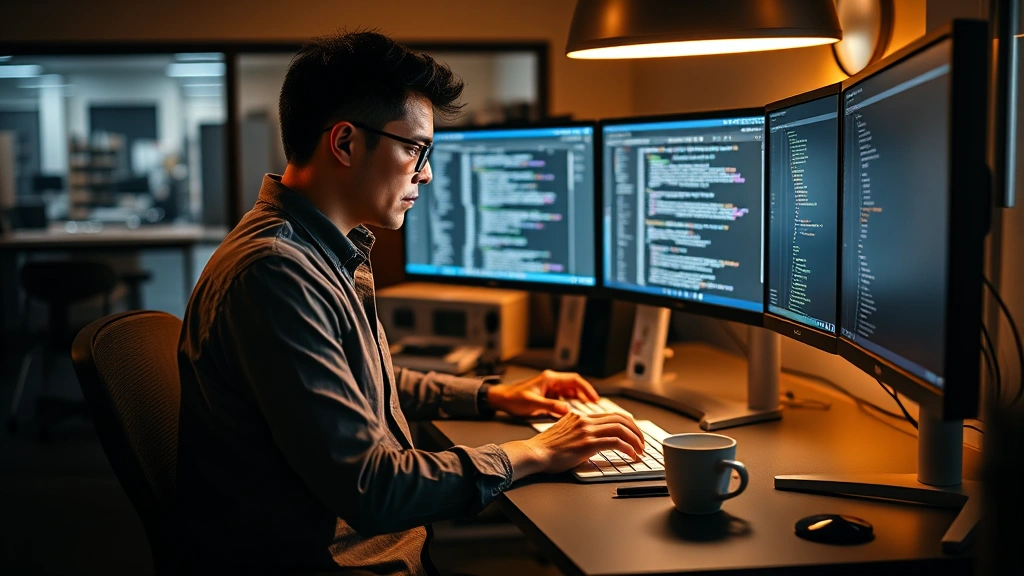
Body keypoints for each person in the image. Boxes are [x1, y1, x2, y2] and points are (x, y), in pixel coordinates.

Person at [175, 30, 645, 574]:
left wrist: (494, 395)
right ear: (345, 143)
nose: (426, 172)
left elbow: (361, 381)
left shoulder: (314, 250)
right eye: (415, 148)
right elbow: (373, 488)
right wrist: (535, 451)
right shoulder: (277, 273)